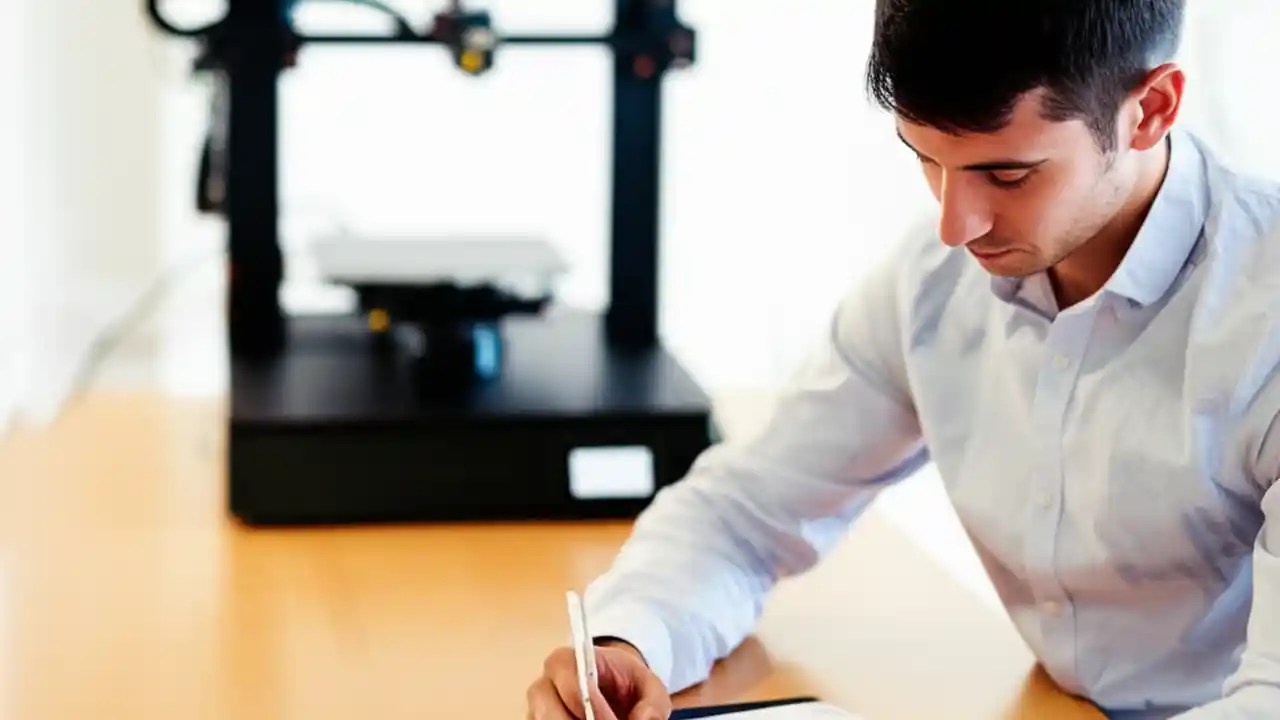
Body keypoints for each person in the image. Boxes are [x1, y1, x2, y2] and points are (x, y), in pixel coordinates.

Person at [526, 1, 1280, 718]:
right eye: (926, 159)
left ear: (1150, 110)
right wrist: (633, 639)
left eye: (1008, 175)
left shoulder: (1262, 319)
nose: (957, 225)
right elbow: (745, 514)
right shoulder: (935, 279)